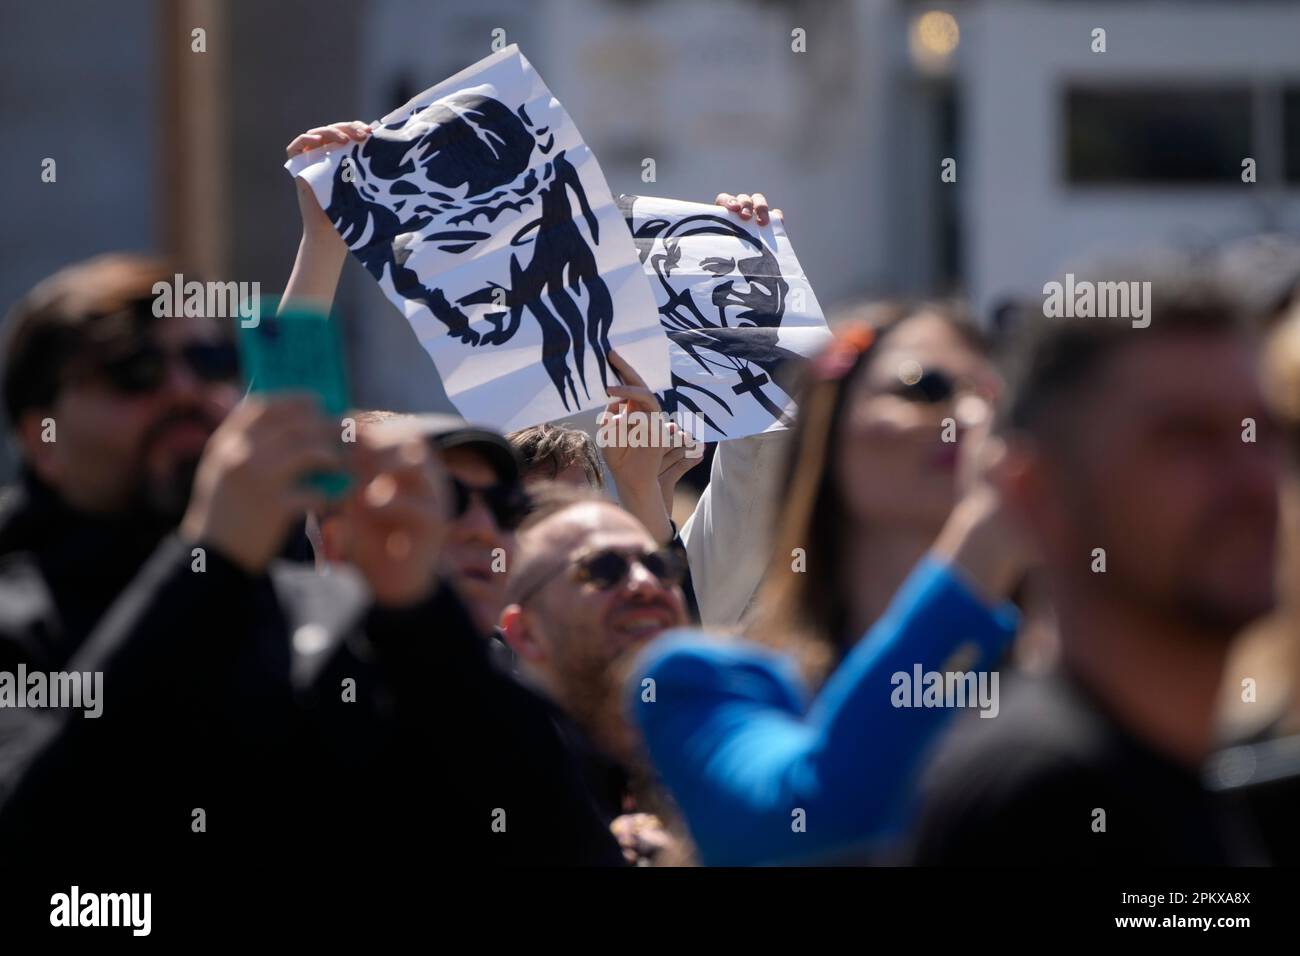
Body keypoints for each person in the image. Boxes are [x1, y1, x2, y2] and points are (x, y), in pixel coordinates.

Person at [0, 254, 624, 877]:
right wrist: (210, 561)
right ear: (40, 437)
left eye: (210, 362)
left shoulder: (320, 617)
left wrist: (414, 610)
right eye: (133, 372)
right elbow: (38, 830)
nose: (184, 391)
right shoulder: (18, 608)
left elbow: (556, 841)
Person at [625, 317, 1031, 866]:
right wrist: (985, 537)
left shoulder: (1065, 668)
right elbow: (818, 820)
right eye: (924, 387)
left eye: (992, 397)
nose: (972, 418)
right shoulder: (704, 683)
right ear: (827, 437)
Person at [910, 270, 1279, 865]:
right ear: (1035, 494)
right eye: (1186, 439)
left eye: (1265, 434)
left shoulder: (1215, 775)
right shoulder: (1039, 801)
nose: (1256, 483)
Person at [499, 482, 693, 864]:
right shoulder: (484, 785)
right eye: (603, 568)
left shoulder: (729, 764)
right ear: (526, 632)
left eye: (659, 565)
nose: (645, 584)